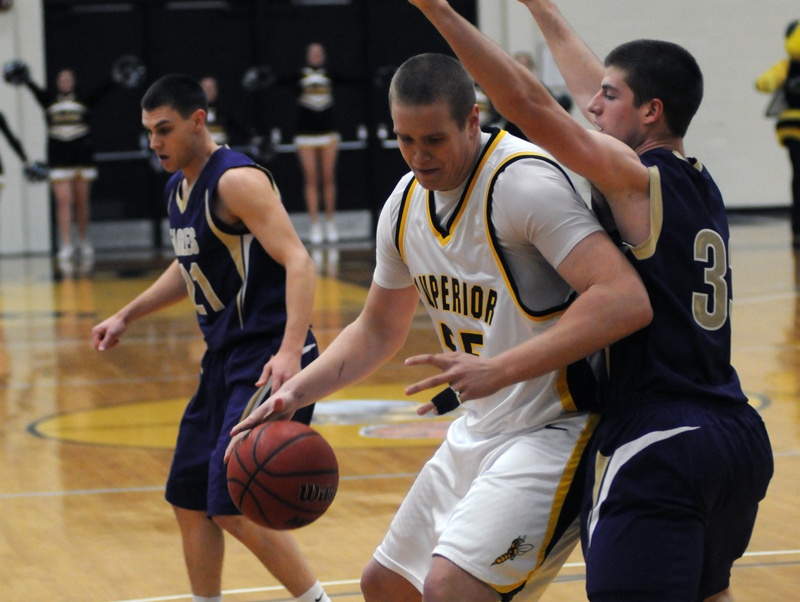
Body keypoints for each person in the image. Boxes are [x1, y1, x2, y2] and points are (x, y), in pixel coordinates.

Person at [228, 53, 652, 602]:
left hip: (557, 429)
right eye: (405, 140)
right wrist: (294, 394)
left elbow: (624, 298)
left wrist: (501, 369)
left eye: (433, 140)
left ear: (472, 121)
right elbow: (378, 329)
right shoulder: (404, 204)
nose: (418, 156)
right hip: (479, 428)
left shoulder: (522, 185)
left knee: (451, 588)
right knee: (385, 585)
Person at [406, 1, 775, 601]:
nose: (593, 106)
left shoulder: (634, 178)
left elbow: (528, 105)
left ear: (651, 112)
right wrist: (542, 9)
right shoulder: (696, 182)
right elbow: (590, 90)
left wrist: (439, 12)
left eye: (609, 96)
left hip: (659, 436)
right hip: (734, 434)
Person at [91, 74, 332, 602]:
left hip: (268, 356)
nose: (155, 142)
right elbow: (189, 266)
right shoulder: (178, 188)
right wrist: (127, 314)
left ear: (198, 121)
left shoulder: (236, 181)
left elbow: (299, 260)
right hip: (223, 361)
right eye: (149, 131)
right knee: (189, 498)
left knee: (233, 500)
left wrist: (290, 351)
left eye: (164, 129)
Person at [21, 68, 116, 262]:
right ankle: (66, 244)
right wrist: (26, 79)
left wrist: (113, 79)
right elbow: (35, 89)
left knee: (81, 202)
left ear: (74, 82)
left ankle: (83, 240)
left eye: (69, 79)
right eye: (62, 79)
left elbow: (101, 92)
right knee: (63, 201)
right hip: (59, 159)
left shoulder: (83, 101)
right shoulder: (49, 101)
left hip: (81, 158)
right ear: (57, 82)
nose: (65, 82)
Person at [756, 19, 800, 247]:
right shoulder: (787, 67)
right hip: (793, 127)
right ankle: (798, 228)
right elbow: (766, 80)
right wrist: (768, 82)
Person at [295, 43, 339, 244]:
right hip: (305, 134)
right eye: (312, 53)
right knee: (311, 178)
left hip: (327, 132)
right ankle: (314, 223)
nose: (315, 56)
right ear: (307, 56)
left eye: (318, 53)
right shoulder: (300, 77)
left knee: (328, 177)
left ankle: (330, 221)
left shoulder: (329, 75)